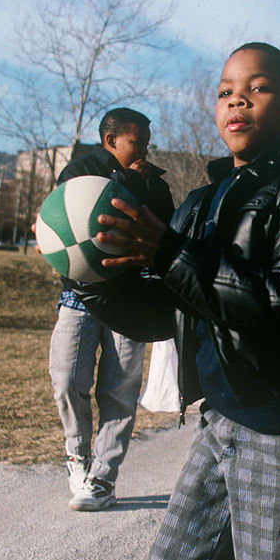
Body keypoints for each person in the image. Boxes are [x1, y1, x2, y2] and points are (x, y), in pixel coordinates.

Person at [73, 42, 280, 560]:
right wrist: (90, 279)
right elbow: (167, 311)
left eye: (258, 88)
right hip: (222, 419)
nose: (238, 99)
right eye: (226, 90)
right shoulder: (201, 202)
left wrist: (171, 250)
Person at [49, 107, 175, 512]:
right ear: (111, 141)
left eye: (146, 142)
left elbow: (165, 232)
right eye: (137, 141)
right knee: (68, 379)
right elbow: (68, 219)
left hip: (132, 297)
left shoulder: (154, 183)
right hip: (81, 292)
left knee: (118, 391)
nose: (144, 149)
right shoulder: (78, 172)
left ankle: (102, 478)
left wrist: (141, 184)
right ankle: (77, 454)